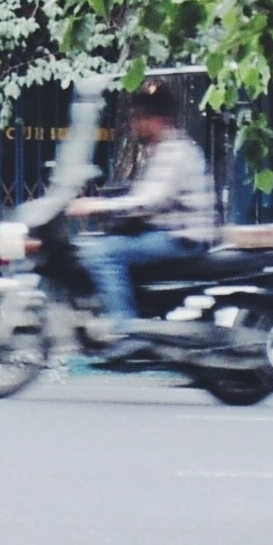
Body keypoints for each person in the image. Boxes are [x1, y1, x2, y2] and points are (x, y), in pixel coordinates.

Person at [70, 81, 216, 347]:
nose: (135, 125)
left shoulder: (175, 151)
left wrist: (97, 206)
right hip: (170, 232)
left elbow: (152, 199)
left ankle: (126, 332)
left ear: (156, 120)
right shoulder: (164, 149)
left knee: (101, 253)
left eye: (139, 119)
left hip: (179, 238)